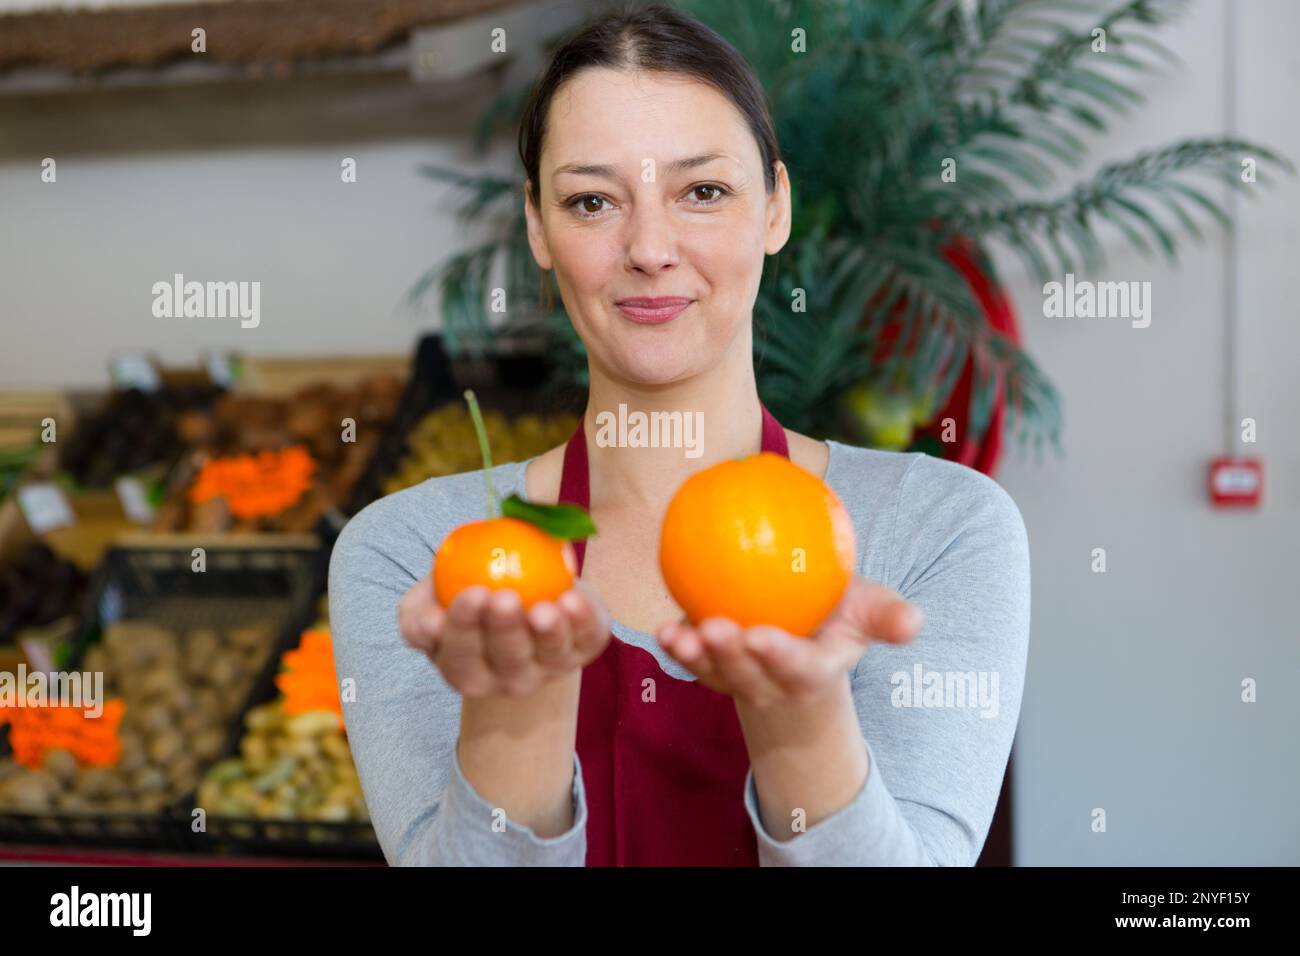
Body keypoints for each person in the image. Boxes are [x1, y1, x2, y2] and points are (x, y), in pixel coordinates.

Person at [329, 3, 1030, 867]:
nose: (650, 249)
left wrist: (801, 718)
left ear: (775, 208)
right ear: (539, 229)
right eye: (592, 201)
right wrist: (519, 713)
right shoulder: (417, 554)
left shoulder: (938, 527)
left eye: (703, 191)